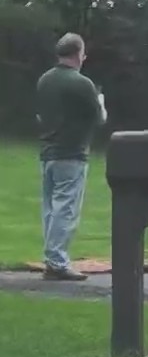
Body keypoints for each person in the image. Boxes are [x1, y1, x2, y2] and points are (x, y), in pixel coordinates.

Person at [35, 33, 105, 281]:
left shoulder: (45, 80)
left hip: (48, 151)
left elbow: (40, 115)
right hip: (72, 152)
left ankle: (52, 257)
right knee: (66, 209)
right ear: (78, 53)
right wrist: (100, 101)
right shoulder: (82, 83)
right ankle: (57, 261)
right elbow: (99, 118)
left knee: (50, 209)